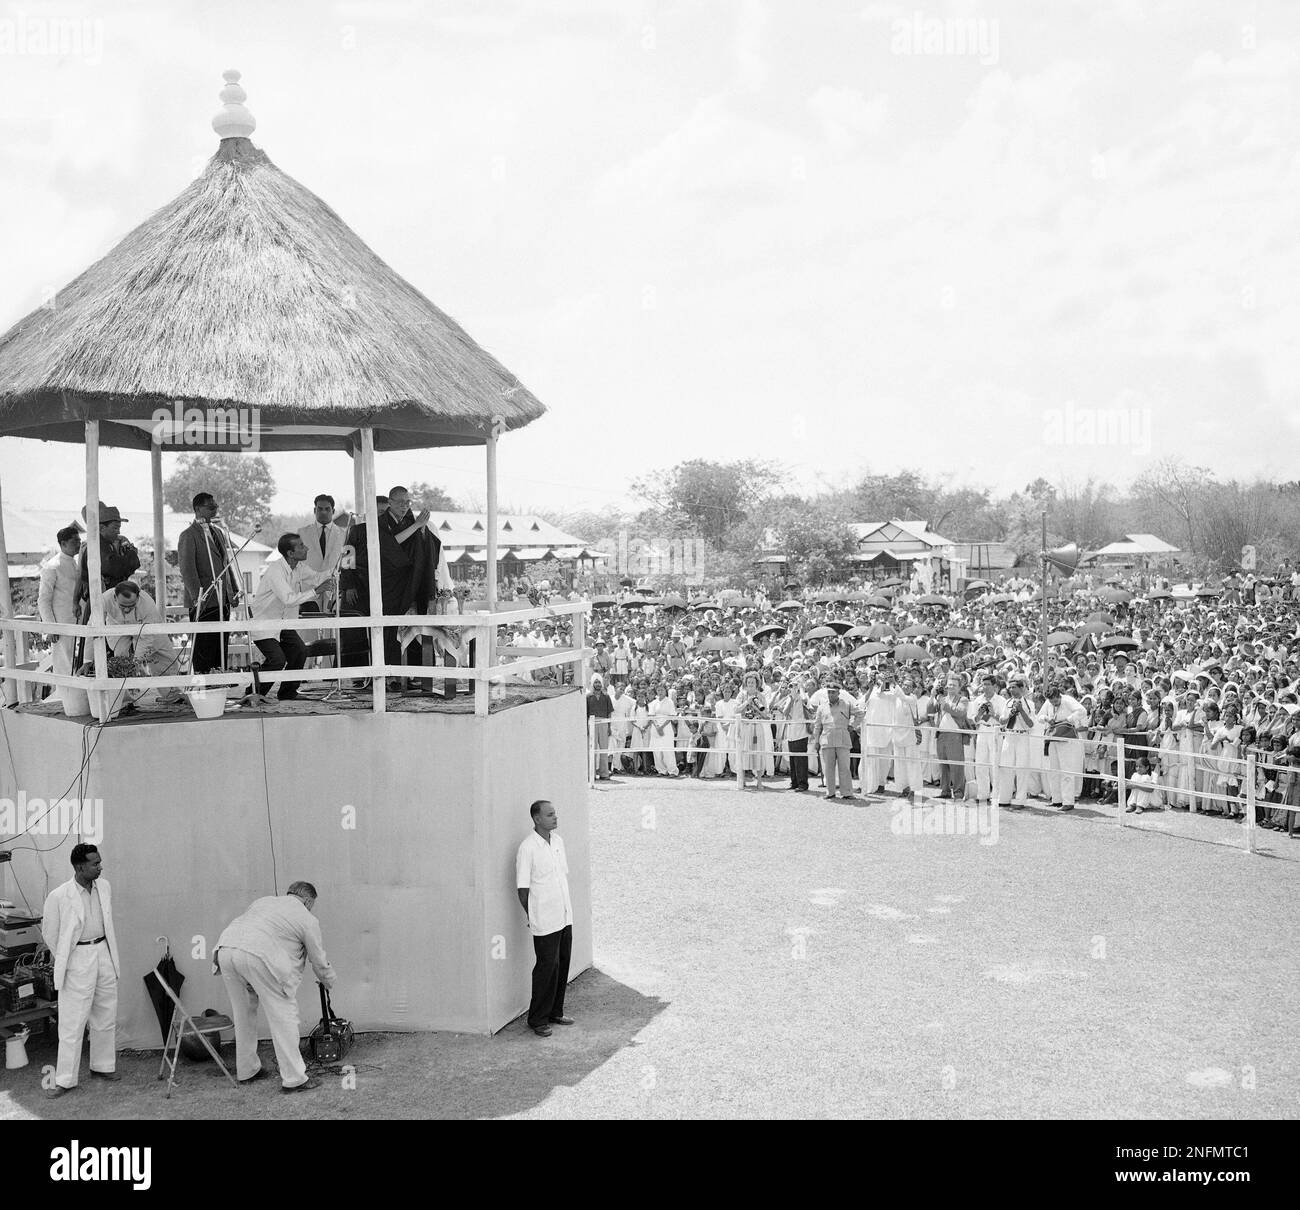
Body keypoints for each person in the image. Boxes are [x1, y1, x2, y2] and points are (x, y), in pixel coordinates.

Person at [214, 880, 337, 1092]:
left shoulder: (263, 901)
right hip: (258, 954)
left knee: (243, 1012)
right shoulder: (307, 918)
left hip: (226, 949)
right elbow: (318, 960)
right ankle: (295, 1079)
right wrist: (329, 981)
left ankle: (247, 1070)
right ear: (308, 900)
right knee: (284, 1016)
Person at [41, 843, 121, 1097]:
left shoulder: (104, 887)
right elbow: (50, 934)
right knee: (72, 1021)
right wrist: (69, 957)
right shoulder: (59, 895)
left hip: (103, 952)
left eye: (99, 862)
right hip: (78, 956)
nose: (100, 867)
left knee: (105, 1013)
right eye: (95, 864)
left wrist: (102, 953)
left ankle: (102, 1065)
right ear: (79, 867)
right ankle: (64, 1079)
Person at [249, 534, 334, 701]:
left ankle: (287, 693)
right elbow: (288, 599)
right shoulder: (275, 570)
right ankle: (253, 694)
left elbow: (317, 577)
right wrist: (316, 591)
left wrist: (339, 567)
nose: (306, 548)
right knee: (277, 660)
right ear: (290, 553)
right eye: (301, 546)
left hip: (283, 624)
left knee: (300, 651)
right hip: (265, 625)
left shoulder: (299, 567)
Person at [516, 800, 575, 1038]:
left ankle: (555, 1012)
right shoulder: (527, 848)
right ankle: (537, 1019)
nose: (555, 818)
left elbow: (561, 877)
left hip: (564, 914)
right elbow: (522, 889)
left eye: (555, 814)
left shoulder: (558, 842)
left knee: (561, 963)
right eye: (550, 815)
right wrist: (533, 914)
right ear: (537, 819)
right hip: (544, 918)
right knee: (545, 967)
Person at [177, 493, 243, 674]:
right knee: (204, 646)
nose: (215, 510)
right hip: (204, 601)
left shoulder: (219, 532)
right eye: (210, 507)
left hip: (223, 599)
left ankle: (219, 682)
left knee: (221, 644)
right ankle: (204, 684)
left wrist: (234, 591)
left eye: (216, 507)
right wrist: (198, 598)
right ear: (198, 509)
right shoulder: (188, 535)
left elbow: (226, 564)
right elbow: (188, 570)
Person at [38, 524, 82, 702]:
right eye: (74, 541)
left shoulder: (78, 563)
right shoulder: (52, 566)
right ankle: (66, 699)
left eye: (79, 540)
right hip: (61, 622)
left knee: (82, 660)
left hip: (81, 619)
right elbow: (43, 599)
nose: (78, 544)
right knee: (64, 662)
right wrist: (50, 627)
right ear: (63, 544)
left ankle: (78, 698)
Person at [812, 682, 856, 800]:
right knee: (828, 768)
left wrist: (853, 725)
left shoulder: (847, 704)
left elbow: (860, 713)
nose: (830, 694)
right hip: (827, 739)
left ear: (838, 693)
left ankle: (846, 792)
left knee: (844, 768)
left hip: (842, 739)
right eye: (829, 692)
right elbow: (817, 725)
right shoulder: (822, 707)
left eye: (833, 692)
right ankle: (830, 792)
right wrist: (816, 741)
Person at [999, 674, 1035, 809]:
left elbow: (1031, 724)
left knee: (1021, 768)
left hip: (1022, 736)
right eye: (1010, 688)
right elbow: (1002, 720)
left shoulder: (1029, 703)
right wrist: (1010, 714)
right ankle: (1004, 797)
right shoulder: (1007, 703)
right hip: (1009, 735)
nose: (1011, 690)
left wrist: (1020, 711)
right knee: (1006, 767)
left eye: (1014, 687)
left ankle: (1020, 800)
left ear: (1021, 688)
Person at [587, 676, 614, 779]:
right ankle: (591, 774)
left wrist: (609, 726)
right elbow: (586, 713)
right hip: (592, 723)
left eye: (599, 682)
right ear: (593, 684)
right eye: (596, 682)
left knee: (603, 749)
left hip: (603, 722)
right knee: (591, 749)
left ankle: (604, 773)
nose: (597, 684)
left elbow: (609, 713)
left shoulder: (606, 696)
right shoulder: (588, 696)